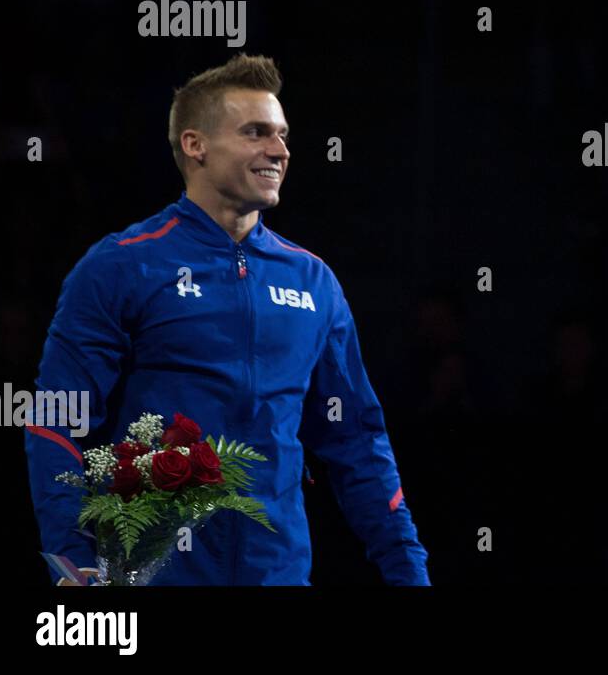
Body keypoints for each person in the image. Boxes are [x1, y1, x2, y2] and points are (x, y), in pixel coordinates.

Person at [25, 54, 430, 585]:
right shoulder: (121, 265)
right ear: (195, 145)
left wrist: (408, 572)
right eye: (256, 133)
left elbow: (356, 442)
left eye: (282, 135)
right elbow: (55, 420)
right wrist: (73, 565)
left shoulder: (314, 282)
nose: (280, 151)